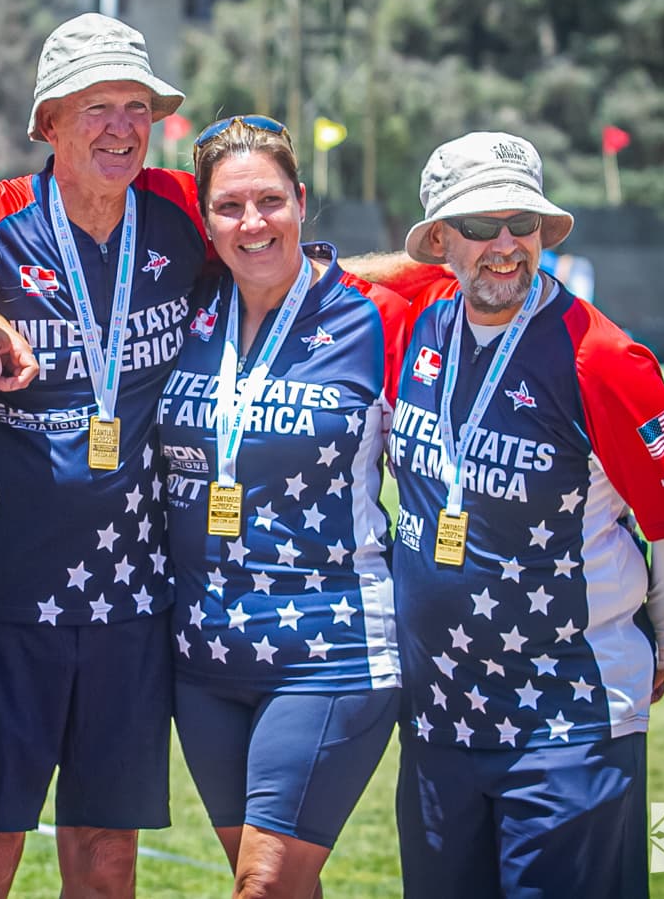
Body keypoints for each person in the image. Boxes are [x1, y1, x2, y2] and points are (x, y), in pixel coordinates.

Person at [0, 13, 208, 899]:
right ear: (47, 122)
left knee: (106, 846)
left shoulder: (179, 214)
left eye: (138, 106)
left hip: (131, 597)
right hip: (4, 589)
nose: (123, 126)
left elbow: (289, 254)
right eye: (98, 107)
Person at [386, 132, 664, 897]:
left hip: (567, 725)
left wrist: (663, 642)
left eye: (522, 223)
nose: (504, 245)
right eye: (477, 225)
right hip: (439, 718)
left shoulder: (601, 356)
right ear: (439, 240)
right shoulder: (418, 322)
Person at [156, 116, 407, 898]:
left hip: (329, 644)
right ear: (206, 222)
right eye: (229, 207)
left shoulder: (374, 317)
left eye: (270, 200)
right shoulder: (185, 306)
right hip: (203, 655)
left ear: (301, 201)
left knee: (262, 883)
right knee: (275, 882)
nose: (252, 222)